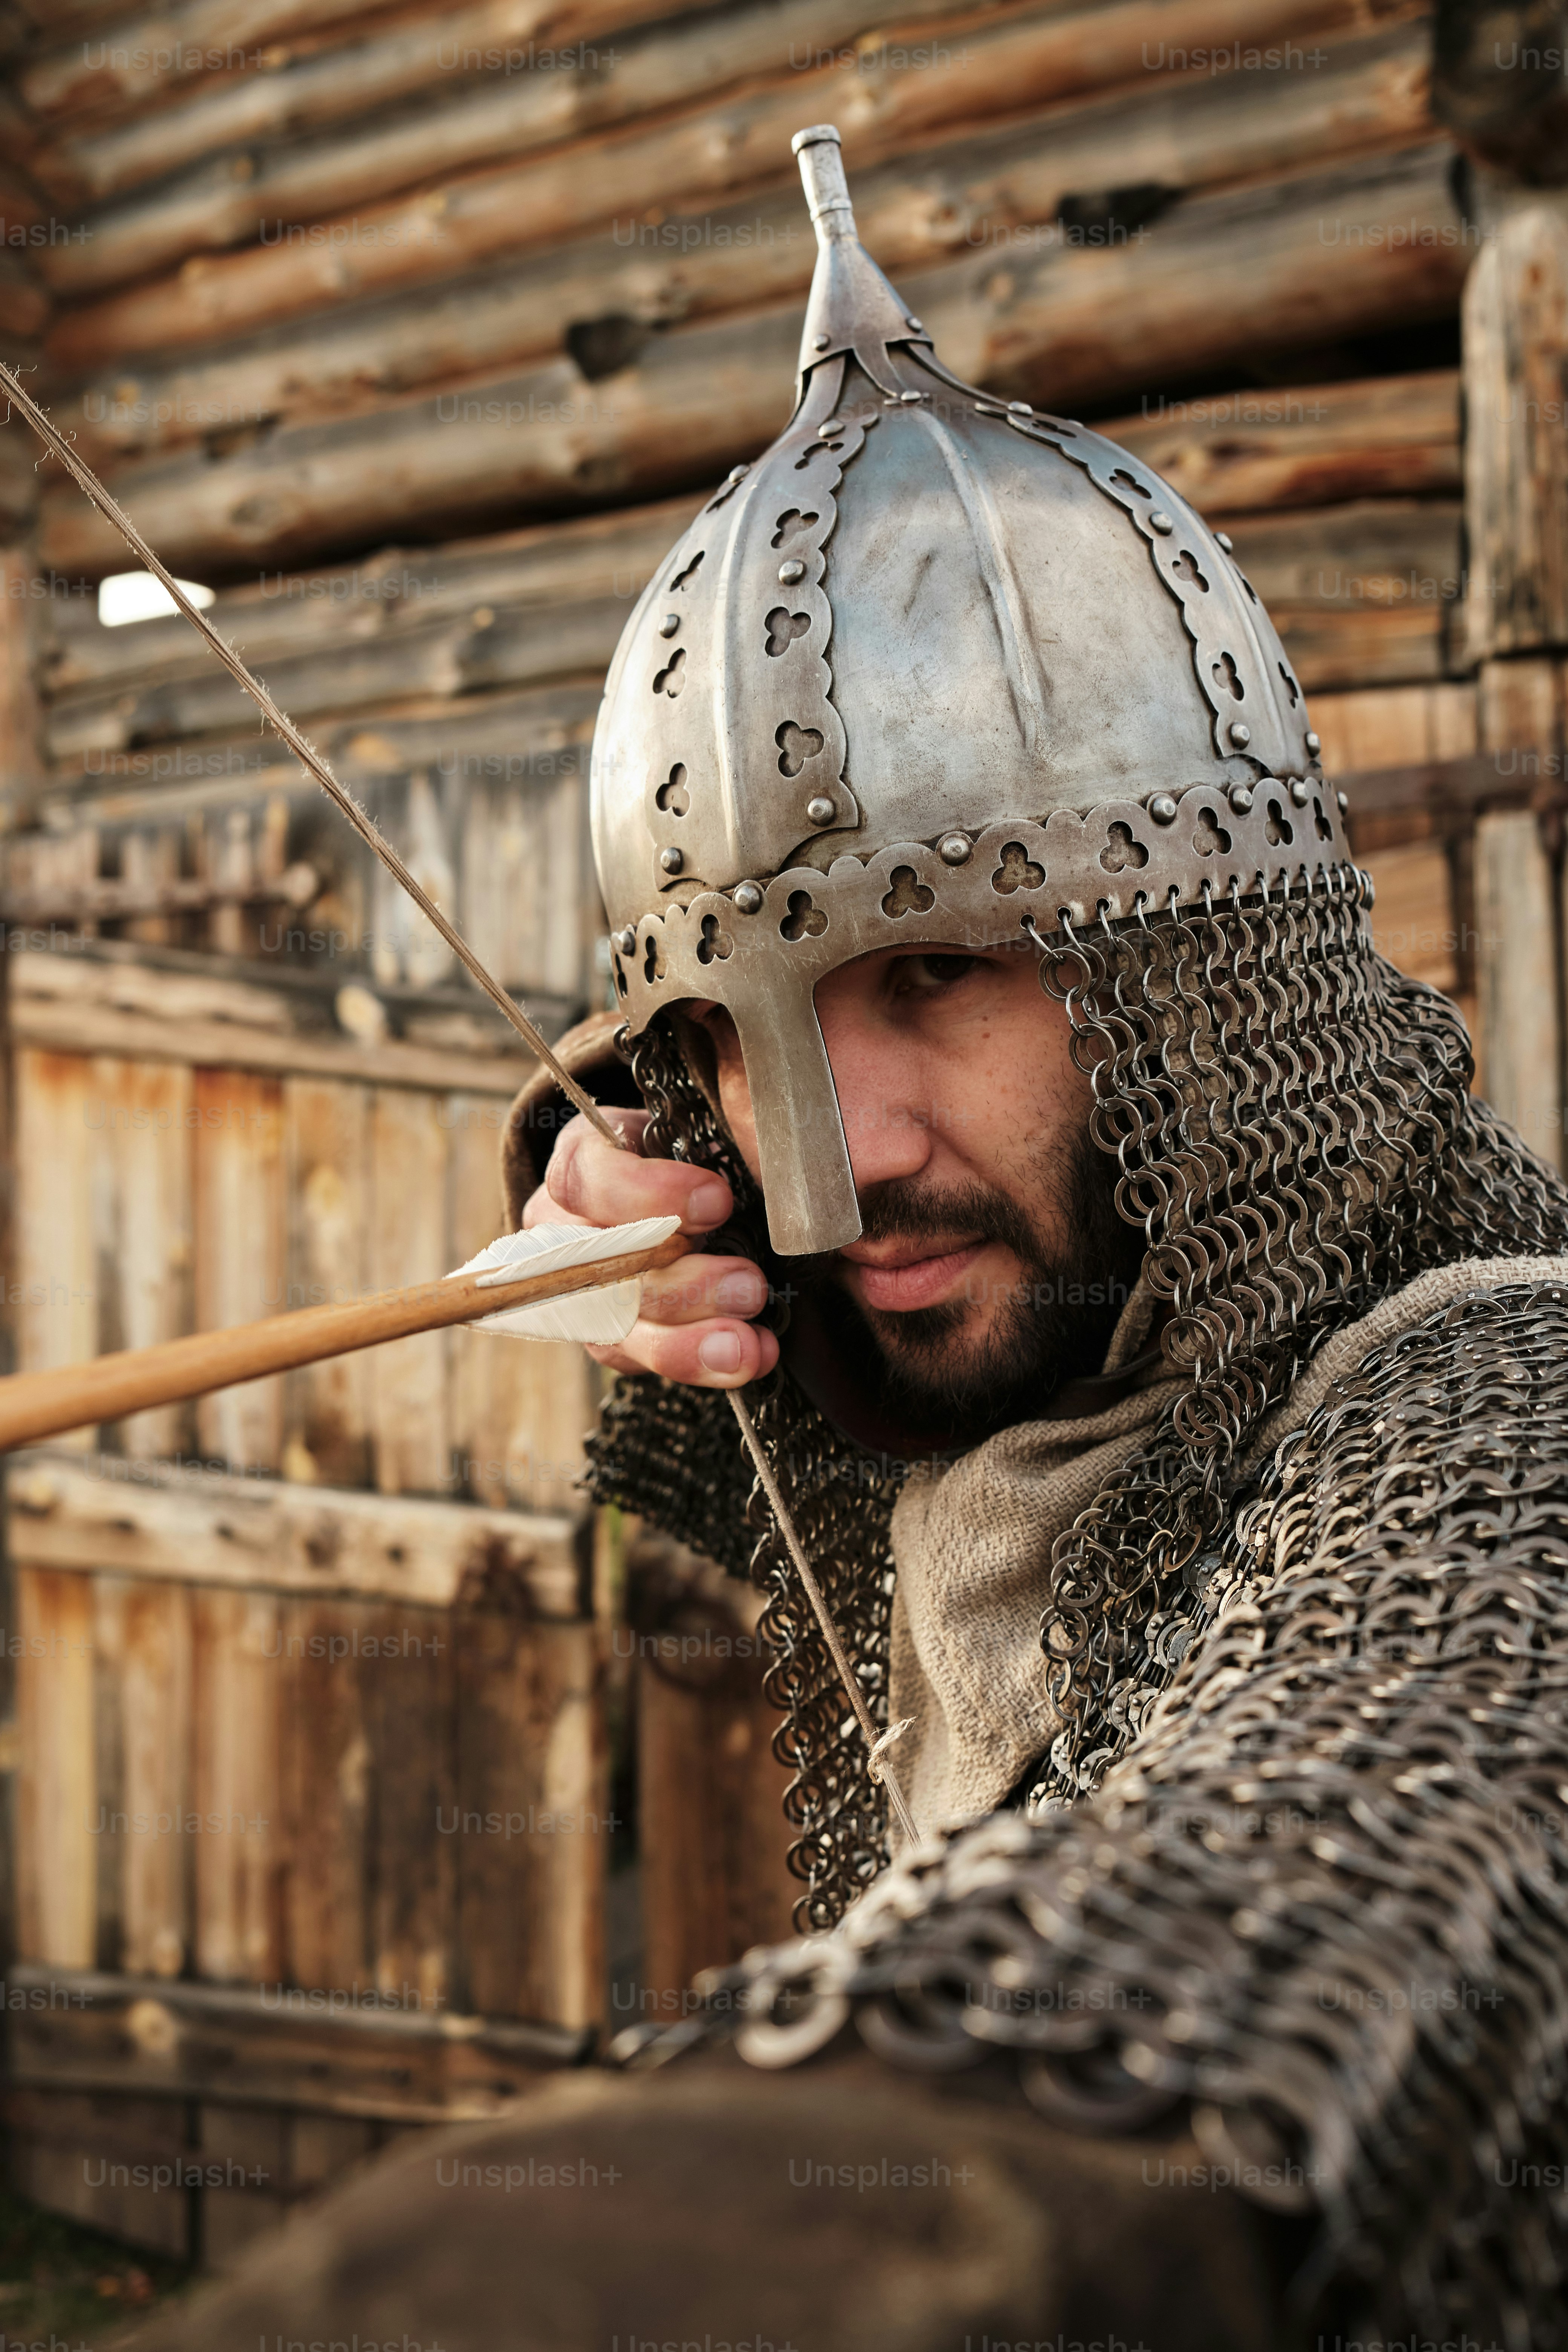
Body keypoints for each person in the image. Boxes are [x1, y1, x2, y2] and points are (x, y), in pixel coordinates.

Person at [130, 125, 1568, 2352]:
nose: (848, 1148)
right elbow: (773, 1435)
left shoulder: (1499, 1416)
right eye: (737, 1030)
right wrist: (616, 1161)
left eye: (940, 974)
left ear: (1198, 966)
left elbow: (1351, 1814)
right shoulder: (1014, 1356)